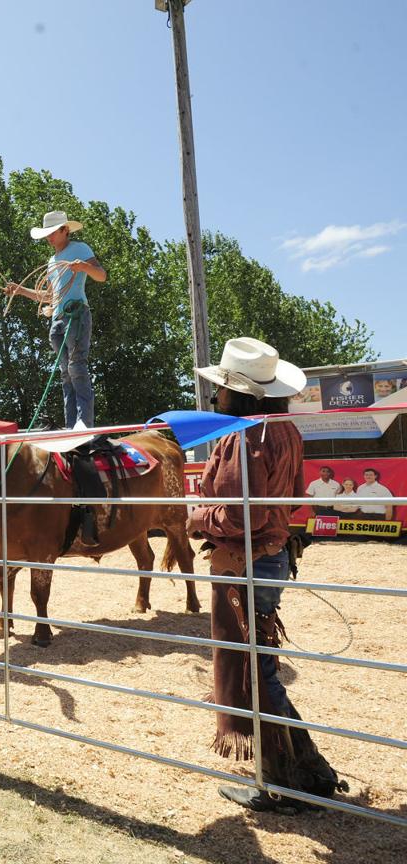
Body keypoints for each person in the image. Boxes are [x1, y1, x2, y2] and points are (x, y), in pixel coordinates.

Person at [187, 338, 346, 813]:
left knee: (255, 673)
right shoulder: (285, 430)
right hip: (271, 555)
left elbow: (240, 518)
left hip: (244, 562)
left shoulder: (244, 435)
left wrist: (194, 516)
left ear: (242, 395)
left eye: (221, 391)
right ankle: (300, 771)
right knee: (261, 668)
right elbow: (293, 495)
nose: (216, 399)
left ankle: (295, 777)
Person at [2, 210, 106, 429]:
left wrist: (83, 266)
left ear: (64, 230)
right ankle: (71, 426)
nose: (48, 238)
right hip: (58, 319)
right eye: (46, 234)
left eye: (52, 233)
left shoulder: (80, 249)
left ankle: (83, 424)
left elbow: (101, 275)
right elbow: (49, 296)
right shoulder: (52, 261)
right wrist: (20, 291)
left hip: (76, 314)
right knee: (66, 374)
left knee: (76, 367)